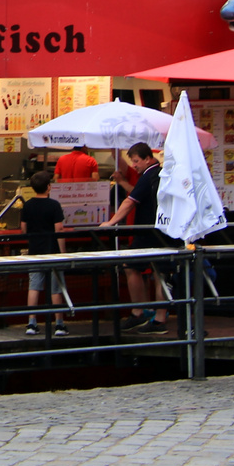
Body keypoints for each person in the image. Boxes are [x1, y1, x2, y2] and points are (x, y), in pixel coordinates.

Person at [100, 142, 172, 334]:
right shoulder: (162, 174)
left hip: (149, 231)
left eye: (136, 161)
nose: (134, 165)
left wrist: (111, 222)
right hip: (161, 229)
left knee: (141, 269)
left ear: (148, 159)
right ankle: (154, 316)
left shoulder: (148, 176)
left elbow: (130, 201)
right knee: (157, 272)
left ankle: (145, 314)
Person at [21, 170, 68, 336]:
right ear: (49, 187)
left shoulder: (27, 205)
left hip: (35, 250)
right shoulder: (54, 205)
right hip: (52, 250)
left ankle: (31, 322)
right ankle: (59, 324)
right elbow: (59, 229)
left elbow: (23, 228)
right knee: (56, 288)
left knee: (34, 286)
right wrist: (63, 252)